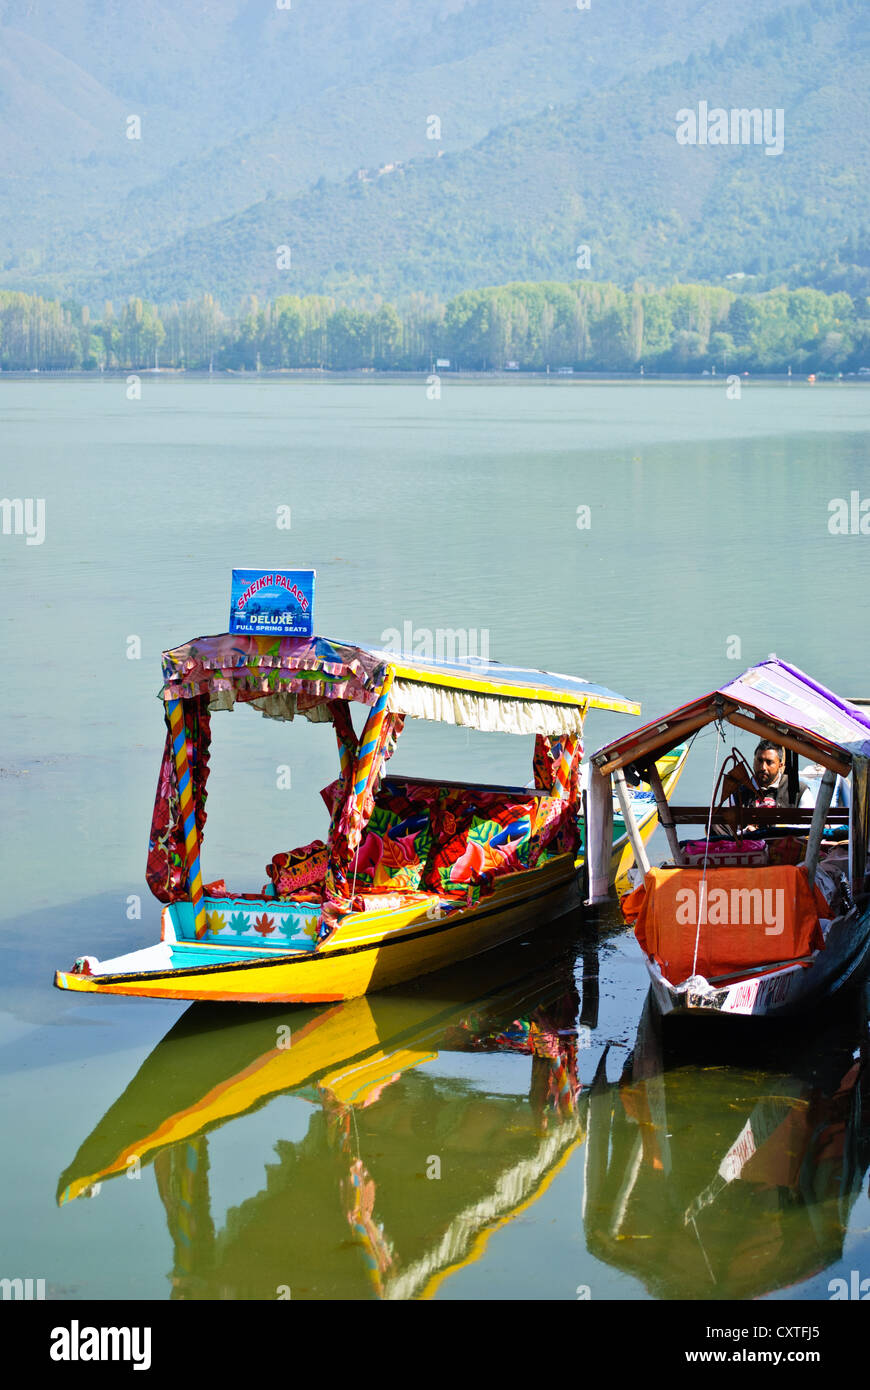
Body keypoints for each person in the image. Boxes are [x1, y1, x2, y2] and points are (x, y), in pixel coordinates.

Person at [738, 741, 813, 811]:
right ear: (754, 762)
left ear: (780, 765)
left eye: (769, 762)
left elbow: (810, 823)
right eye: (759, 761)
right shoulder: (739, 792)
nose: (763, 767)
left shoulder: (799, 790)